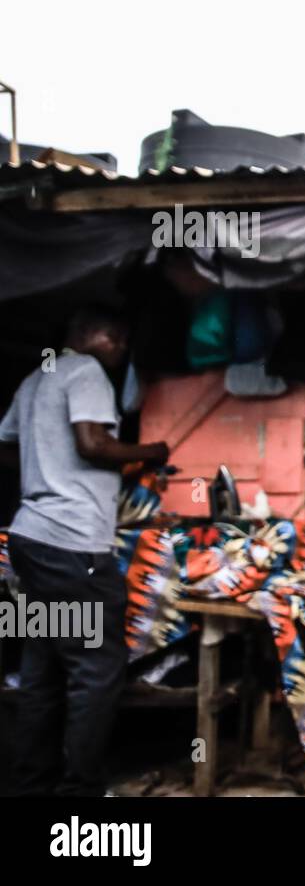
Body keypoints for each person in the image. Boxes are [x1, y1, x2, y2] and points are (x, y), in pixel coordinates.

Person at [0, 305, 170, 796]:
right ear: (103, 335)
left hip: (30, 539)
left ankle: (32, 783)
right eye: (120, 342)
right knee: (96, 671)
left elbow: (5, 443)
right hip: (73, 545)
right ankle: (80, 790)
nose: (121, 352)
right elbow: (93, 444)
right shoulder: (87, 370)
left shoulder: (38, 377)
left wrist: (45, 471)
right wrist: (150, 452)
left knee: (43, 667)